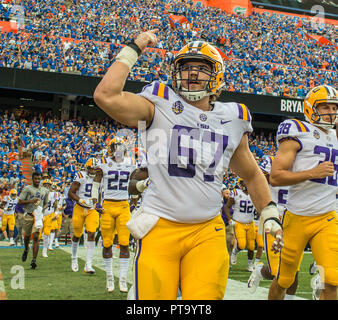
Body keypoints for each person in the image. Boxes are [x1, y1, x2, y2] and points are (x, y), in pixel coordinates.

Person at [93, 31, 283, 300]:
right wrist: (134, 48)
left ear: (216, 75)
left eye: (201, 68)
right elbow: (105, 96)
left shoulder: (232, 117)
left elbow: (251, 174)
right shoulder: (160, 102)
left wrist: (269, 214)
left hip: (207, 230)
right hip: (160, 227)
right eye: (186, 67)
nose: (192, 74)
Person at [268, 85, 338, 300]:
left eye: (334, 107)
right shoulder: (298, 130)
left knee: (333, 281)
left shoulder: (335, 135)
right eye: (324, 106)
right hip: (297, 217)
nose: (330, 112)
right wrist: (312, 172)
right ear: (310, 108)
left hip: (327, 216)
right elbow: (276, 176)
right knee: (284, 280)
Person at [248, 155, 299, 300]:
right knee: (276, 272)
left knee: (293, 272)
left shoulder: (304, 161)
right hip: (274, 219)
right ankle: (259, 271)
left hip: (294, 220)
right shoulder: (270, 160)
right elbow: (256, 179)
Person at [92, 138, 137, 293]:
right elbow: (96, 183)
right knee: (106, 243)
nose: (118, 149)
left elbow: (135, 181)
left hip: (124, 205)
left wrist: (135, 200)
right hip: (108, 206)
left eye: (120, 146)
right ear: (111, 148)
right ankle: (110, 276)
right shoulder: (104, 162)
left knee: (124, 243)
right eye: (115, 146)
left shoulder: (131, 161)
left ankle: (123, 279)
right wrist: (94, 201)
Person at [68, 158, 100, 275]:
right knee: (77, 235)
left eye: (95, 168)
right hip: (80, 207)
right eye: (91, 168)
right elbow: (70, 192)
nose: (93, 170)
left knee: (92, 232)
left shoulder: (100, 178)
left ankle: (89, 264)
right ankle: (74, 257)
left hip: (93, 209)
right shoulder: (80, 175)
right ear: (87, 168)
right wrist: (80, 199)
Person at [19, 172, 49, 269]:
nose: (37, 180)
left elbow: (46, 203)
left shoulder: (45, 190)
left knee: (36, 237)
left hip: (38, 216)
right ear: (32, 179)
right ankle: (26, 249)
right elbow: (20, 201)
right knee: (27, 237)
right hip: (28, 215)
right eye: (35, 178)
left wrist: (41, 210)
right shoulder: (28, 188)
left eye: (38, 179)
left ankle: (34, 260)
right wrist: (31, 201)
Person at [225, 179, 257, 272]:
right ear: (240, 183)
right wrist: (230, 219)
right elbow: (227, 207)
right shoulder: (235, 193)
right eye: (243, 181)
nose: (246, 183)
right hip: (239, 222)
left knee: (251, 246)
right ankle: (235, 251)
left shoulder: (254, 192)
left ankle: (250, 264)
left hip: (250, 222)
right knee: (242, 245)